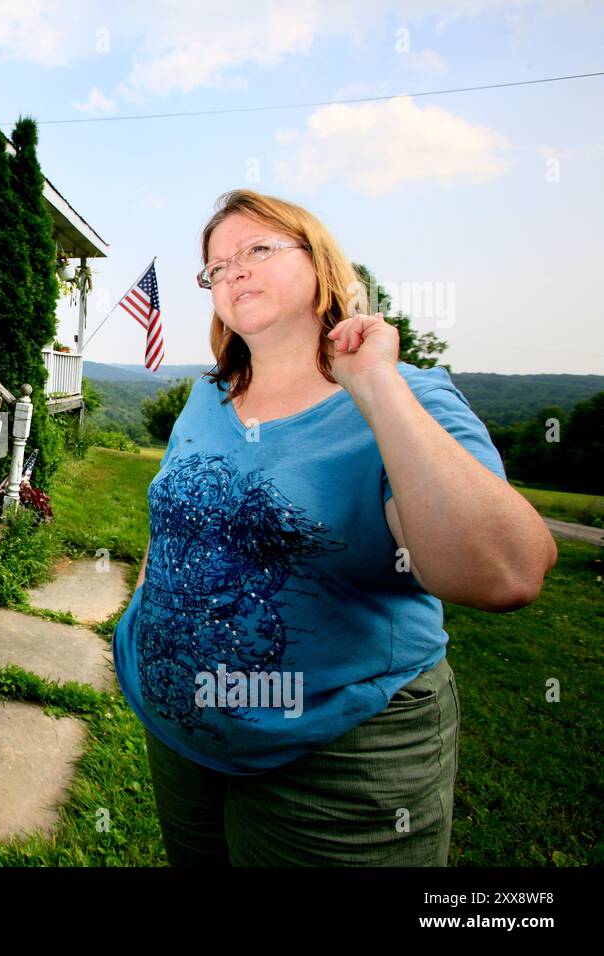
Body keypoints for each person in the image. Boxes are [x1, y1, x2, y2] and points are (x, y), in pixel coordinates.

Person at [112, 189, 557, 865]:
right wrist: (142, 619)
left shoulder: (410, 395)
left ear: (320, 264)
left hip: (331, 767)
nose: (231, 271)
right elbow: (173, 519)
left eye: (257, 249)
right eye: (216, 266)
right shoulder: (209, 393)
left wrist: (375, 386)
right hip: (181, 742)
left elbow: (508, 573)